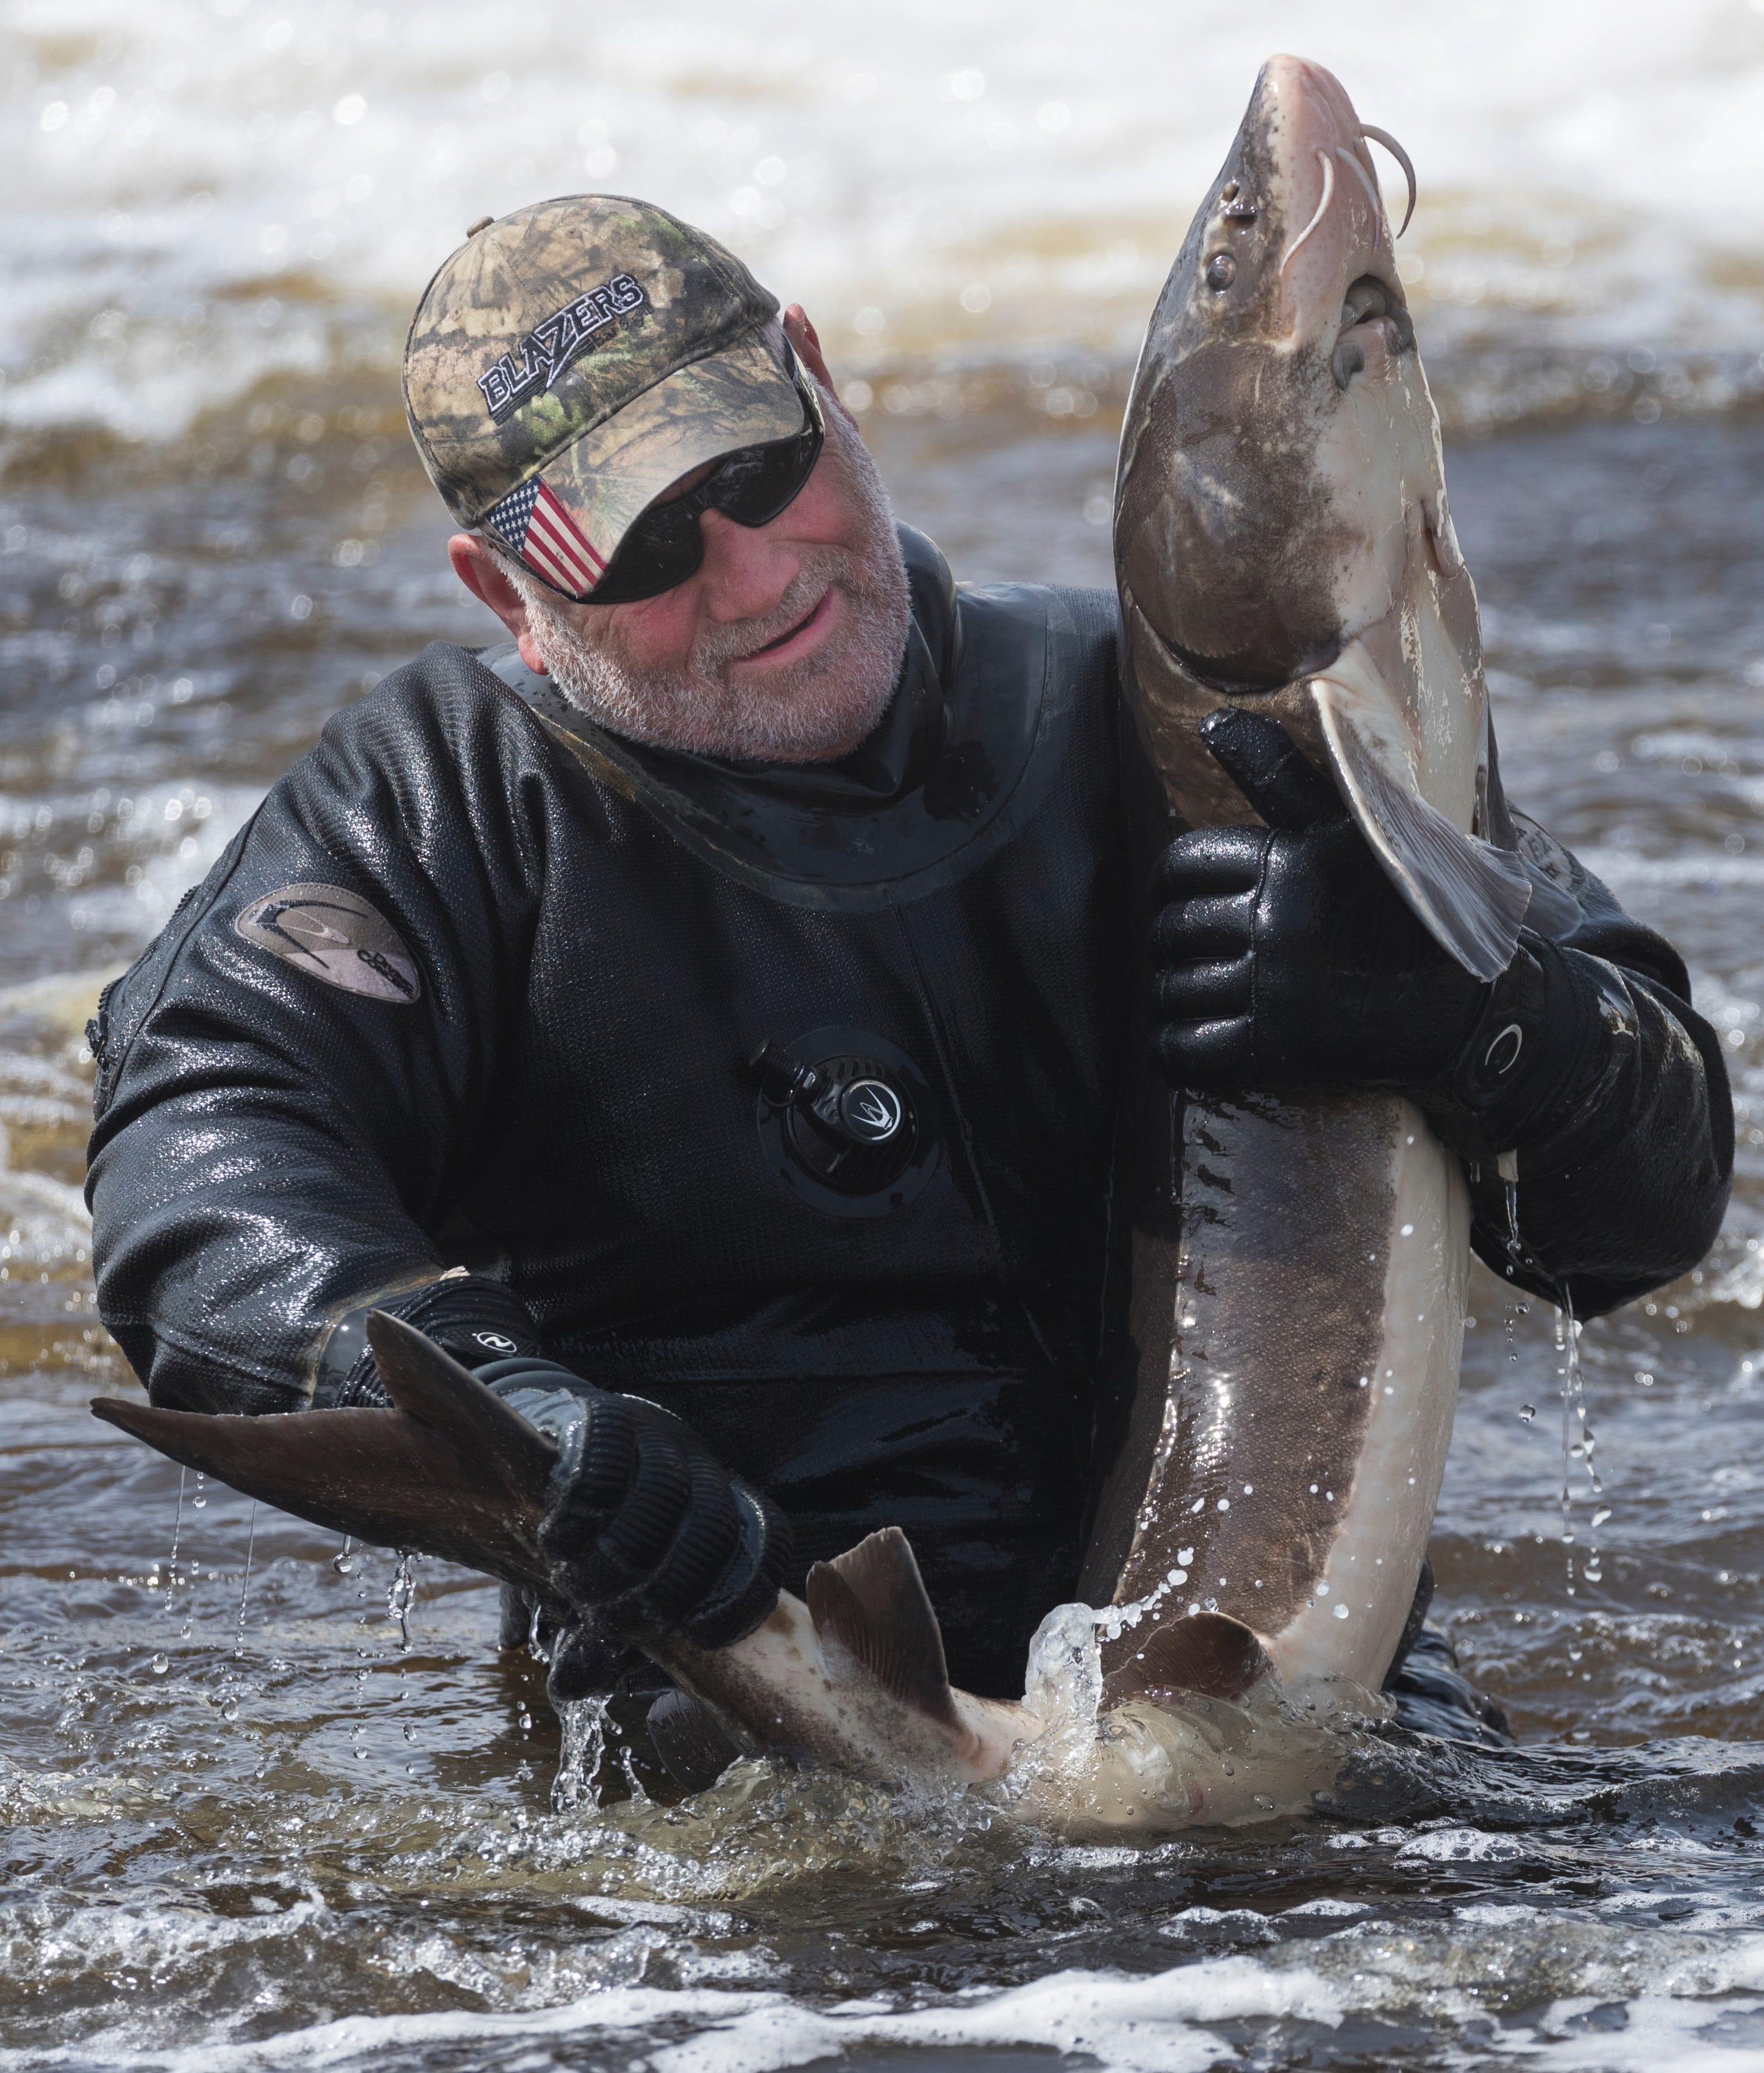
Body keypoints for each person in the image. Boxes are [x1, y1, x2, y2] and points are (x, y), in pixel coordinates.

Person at [86, 196, 1731, 1774]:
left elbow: (1646, 1214)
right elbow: (201, 1154)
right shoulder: (442, 809)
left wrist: (1478, 1017)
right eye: (641, 545)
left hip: (1298, 1694)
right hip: (755, 1734)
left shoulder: (1183, 719)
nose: (751, 574)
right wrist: (515, 1416)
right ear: (506, 595)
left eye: (758, 469)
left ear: (822, 376)